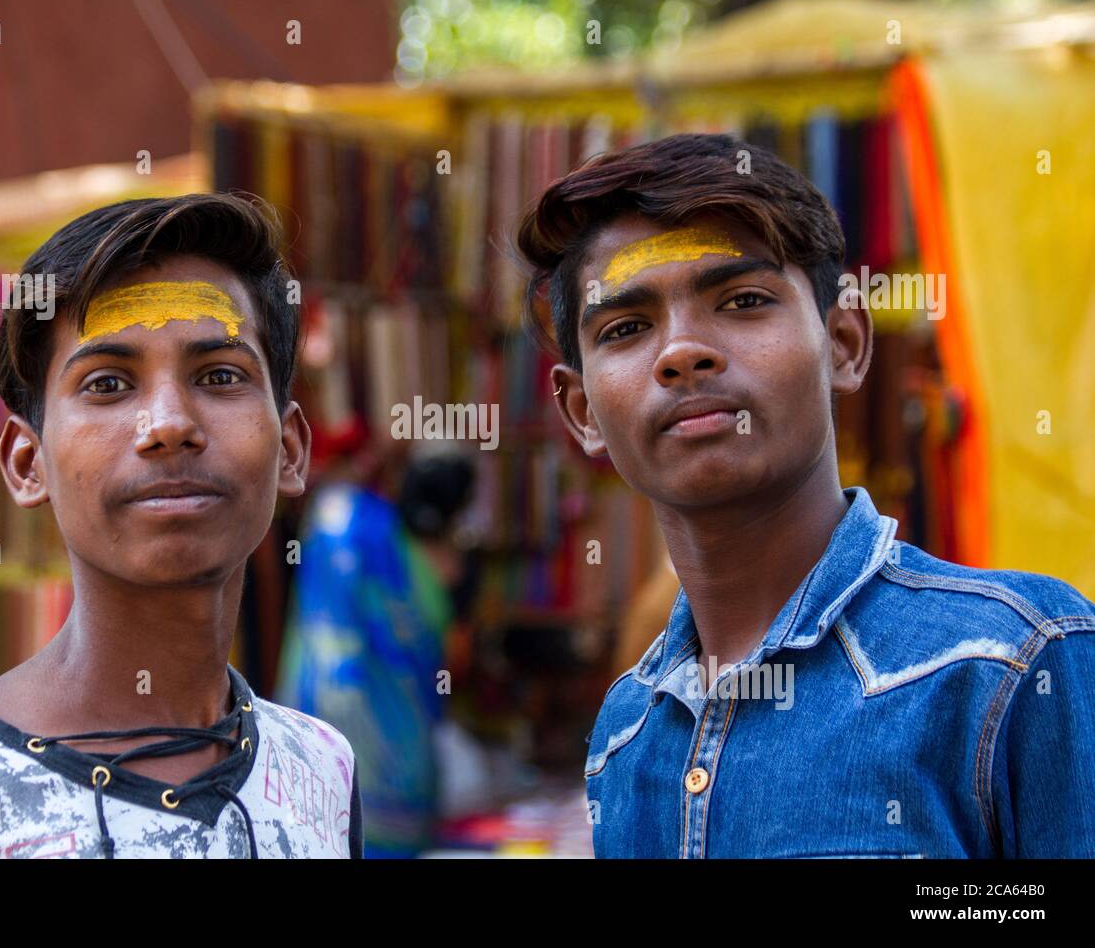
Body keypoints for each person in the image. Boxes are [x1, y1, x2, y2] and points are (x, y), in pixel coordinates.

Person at [515, 133, 1095, 858]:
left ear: (844, 344)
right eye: (627, 328)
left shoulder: (1011, 663)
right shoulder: (626, 734)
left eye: (743, 300)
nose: (681, 351)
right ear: (581, 413)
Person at [0, 193, 362, 859]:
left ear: (292, 448)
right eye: (107, 384)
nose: (170, 425)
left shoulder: (320, 770)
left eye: (218, 375)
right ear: (26, 461)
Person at [276, 444, 475, 857]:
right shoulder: (434, 568)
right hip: (403, 768)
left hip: (313, 761)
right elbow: (450, 665)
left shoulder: (343, 524)